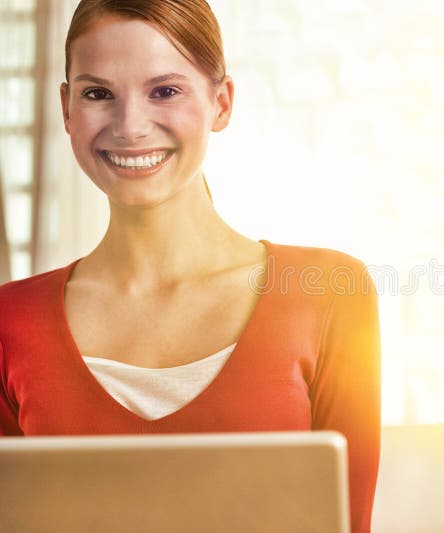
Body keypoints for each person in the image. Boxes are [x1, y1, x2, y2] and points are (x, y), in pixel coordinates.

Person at [0, 1, 381, 531]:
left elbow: (347, 522)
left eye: (165, 91)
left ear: (221, 102)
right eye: (97, 93)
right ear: (66, 109)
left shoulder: (330, 293)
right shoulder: (8, 320)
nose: (130, 127)